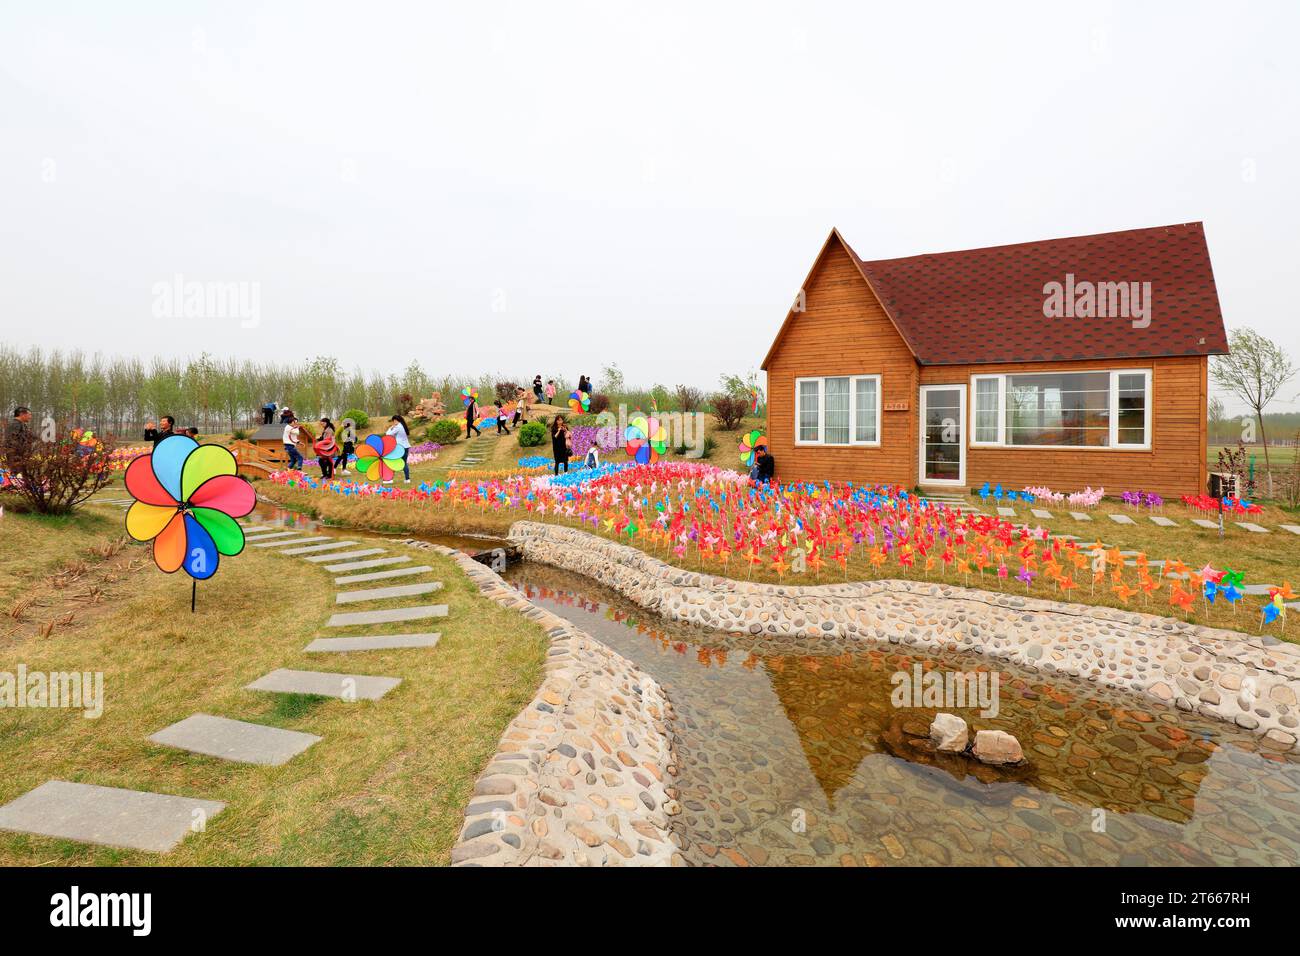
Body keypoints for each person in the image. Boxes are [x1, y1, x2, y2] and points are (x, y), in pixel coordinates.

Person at [385, 414, 411, 483]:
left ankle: (389, 479)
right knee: (404, 463)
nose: (393, 423)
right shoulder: (403, 426)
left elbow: (388, 434)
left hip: (400, 448)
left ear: (396, 420)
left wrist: (391, 427)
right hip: (406, 447)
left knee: (393, 462)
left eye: (393, 421)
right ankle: (407, 479)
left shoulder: (398, 427)